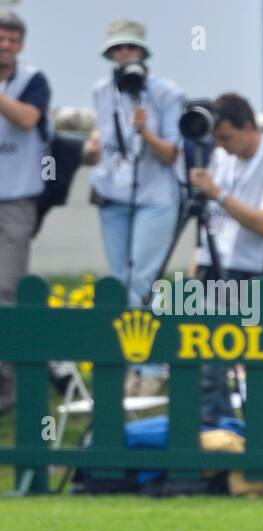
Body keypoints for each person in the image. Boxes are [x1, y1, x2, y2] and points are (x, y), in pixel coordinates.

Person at [188, 93, 263, 422]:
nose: (222, 145)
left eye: (226, 137)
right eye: (216, 138)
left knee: (260, 365)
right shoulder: (220, 158)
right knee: (210, 364)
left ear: (247, 127)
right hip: (219, 270)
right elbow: (209, 222)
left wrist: (218, 193)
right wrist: (196, 271)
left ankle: (261, 444)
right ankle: (217, 438)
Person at [83, 19, 185, 396]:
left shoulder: (167, 92)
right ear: (110, 54)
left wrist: (145, 131)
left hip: (156, 195)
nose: (124, 55)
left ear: (143, 52)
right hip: (113, 193)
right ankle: (129, 362)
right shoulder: (100, 91)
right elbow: (105, 141)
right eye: (118, 49)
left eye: (131, 48)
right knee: (119, 280)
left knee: (144, 279)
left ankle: (152, 366)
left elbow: (173, 151)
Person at [0, 10, 48, 306]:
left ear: (21, 46)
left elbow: (28, 118)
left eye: (12, 40)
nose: (5, 44)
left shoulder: (33, 81)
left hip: (17, 198)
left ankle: (5, 352)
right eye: (0, 38)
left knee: (7, 285)